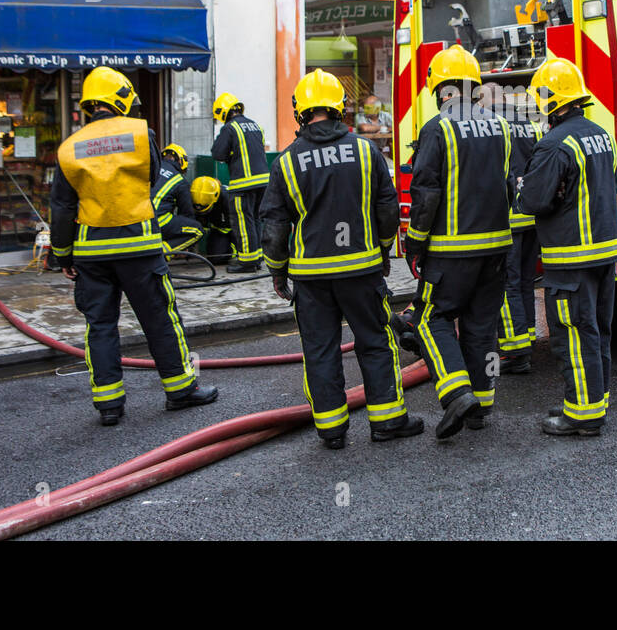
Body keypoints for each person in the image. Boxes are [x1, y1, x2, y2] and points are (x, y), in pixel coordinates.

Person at [260, 69, 421, 450]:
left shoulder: (286, 162)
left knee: (320, 349)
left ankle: (331, 429)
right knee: (375, 342)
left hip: (311, 277)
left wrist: (277, 271)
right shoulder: (366, 152)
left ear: (300, 111)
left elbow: (274, 227)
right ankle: (388, 421)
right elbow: (387, 211)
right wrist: (383, 252)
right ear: (339, 108)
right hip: (362, 270)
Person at [50, 67, 218, 426]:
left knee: (100, 325)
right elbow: (150, 179)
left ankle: (109, 405)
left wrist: (62, 255)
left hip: (91, 253)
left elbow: (62, 208)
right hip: (139, 248)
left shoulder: (68, 148)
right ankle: (180, 390)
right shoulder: (143, 134)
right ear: (122, 98)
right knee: (160, 318)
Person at [403, 43, 514, 439]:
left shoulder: (437, 128)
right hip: (497, 248)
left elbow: (426, 194)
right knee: (483, 325)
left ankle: (456, 393)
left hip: (451, 251)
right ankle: (482, 404)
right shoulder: (500, 126)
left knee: (429, 319)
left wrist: (414, 243)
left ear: (440, 89)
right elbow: (507, 186)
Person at [517, 58, 617, 437]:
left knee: (573, 335)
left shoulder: (553, 144)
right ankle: (594, 399)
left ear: (551, 100)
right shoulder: (600, 134)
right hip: (604, 253)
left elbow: (535, 201)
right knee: (597, 330)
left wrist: (521, 188)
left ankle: (582, 414)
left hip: (570, 257)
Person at [498, 90, 543, 374]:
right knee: (526, 280)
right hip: (531, 215)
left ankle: (517, 351)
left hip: (508, 218)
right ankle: (527, 336)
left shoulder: (497, 126)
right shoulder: (532, 126)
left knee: (508, 283)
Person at [211, 92, 268, 273]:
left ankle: (247, 262)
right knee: (255, 220)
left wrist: (229, 155)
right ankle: (257, 257)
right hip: (263, 182)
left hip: (243, 183)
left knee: (243, 221)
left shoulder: (230, 128)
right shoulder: (255, 125)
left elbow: (218, 154)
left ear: (223, 112)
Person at [153, 143, 203, 253]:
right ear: (181, 161)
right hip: (156, 222)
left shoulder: (150, 169)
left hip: (136, 221)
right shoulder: (180, 181)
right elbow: (187, 214)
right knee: (197, 230)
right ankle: (162, 252)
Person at [190, 176, 235, 265]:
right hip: (219, 230)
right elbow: (201, 222)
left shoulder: (229, 198)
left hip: (236, 231)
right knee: (216, 259)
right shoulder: (198, 196)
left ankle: (235, 251)